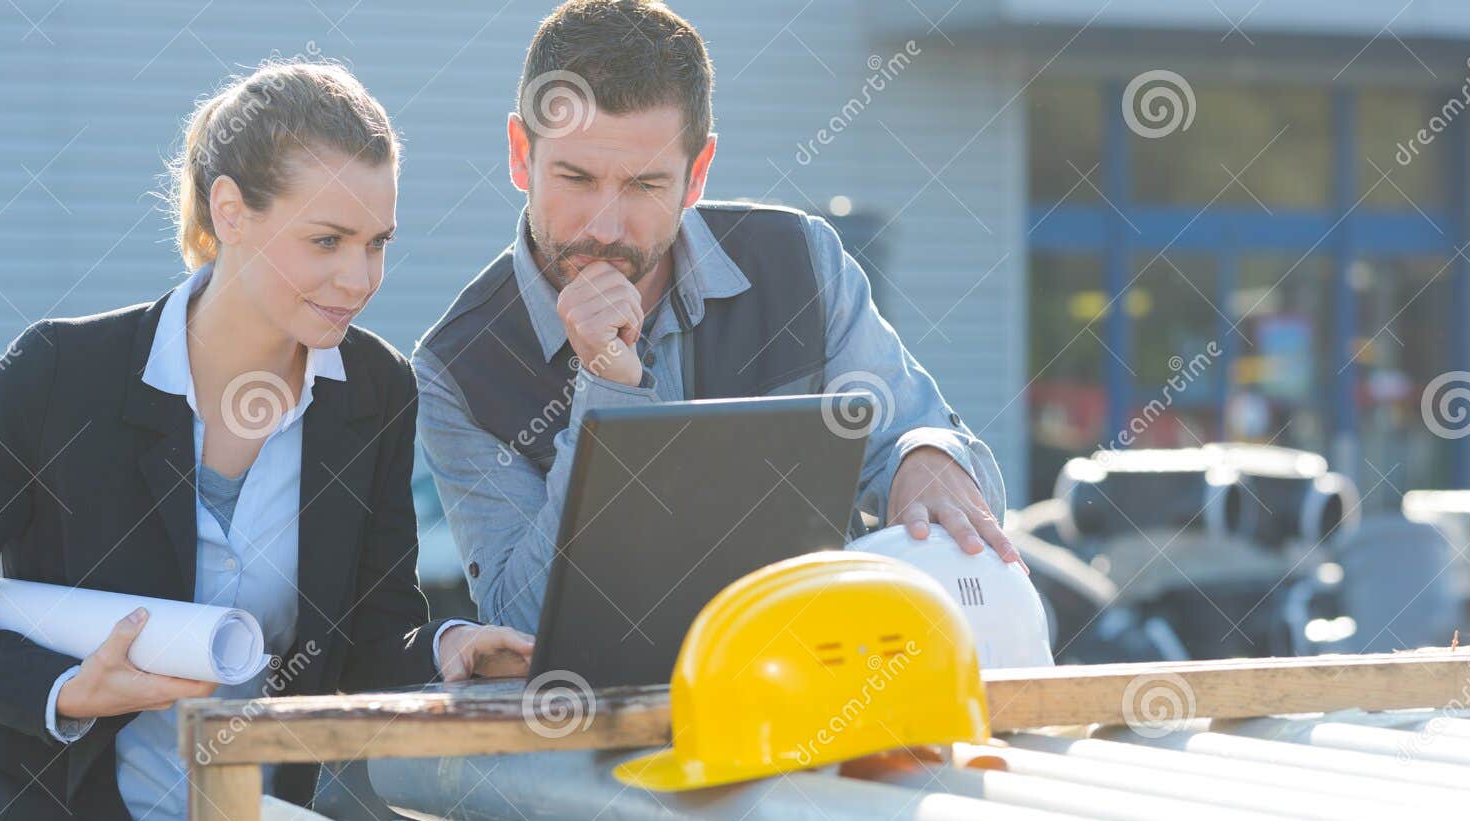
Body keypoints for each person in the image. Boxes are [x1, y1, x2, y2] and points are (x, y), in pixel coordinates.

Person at [0, 58, 531, 821]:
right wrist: (69, 690)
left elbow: (375, 631)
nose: (360, 278)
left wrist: (445, 651)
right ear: (231, 211)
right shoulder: (62, 376)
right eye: (325, 241)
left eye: (376, 243)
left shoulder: (369, 392)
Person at [414, 0, 1023, 636]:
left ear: (698, 171)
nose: (605, 225)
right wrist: (608, 392)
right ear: (520, 154)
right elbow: (522, 621)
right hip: (601, 725)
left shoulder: (801, 264)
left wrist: (924, 454)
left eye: (645, 185)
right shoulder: (458, 370)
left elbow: (920, 450)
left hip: (819, 691)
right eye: (575, 177)